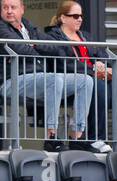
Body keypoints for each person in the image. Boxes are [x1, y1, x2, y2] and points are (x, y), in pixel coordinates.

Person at [0, 0, 90, 150]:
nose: (9, 11)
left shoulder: (29, 27)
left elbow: (56, 47)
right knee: (54, 78)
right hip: (11, 82)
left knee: (85, 80)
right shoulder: (1, 28)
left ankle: (77, 136)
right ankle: (51, 137)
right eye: (5, 7)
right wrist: (37, 50)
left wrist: (33, 45)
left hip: (38, 79)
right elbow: (19, 49)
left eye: (13, 7)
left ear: (22, 9)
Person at [45, 0, 117, 146]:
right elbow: (65, 63)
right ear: (63, 18)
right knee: (100, 89)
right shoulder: (54, 36)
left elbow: (101, 53)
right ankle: (95, 138)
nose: (80, 19)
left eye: (81, 16)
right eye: (75, 16)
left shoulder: (85, 36)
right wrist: (92, 71)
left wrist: (105, 66)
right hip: (73, 81)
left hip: (94, 75)